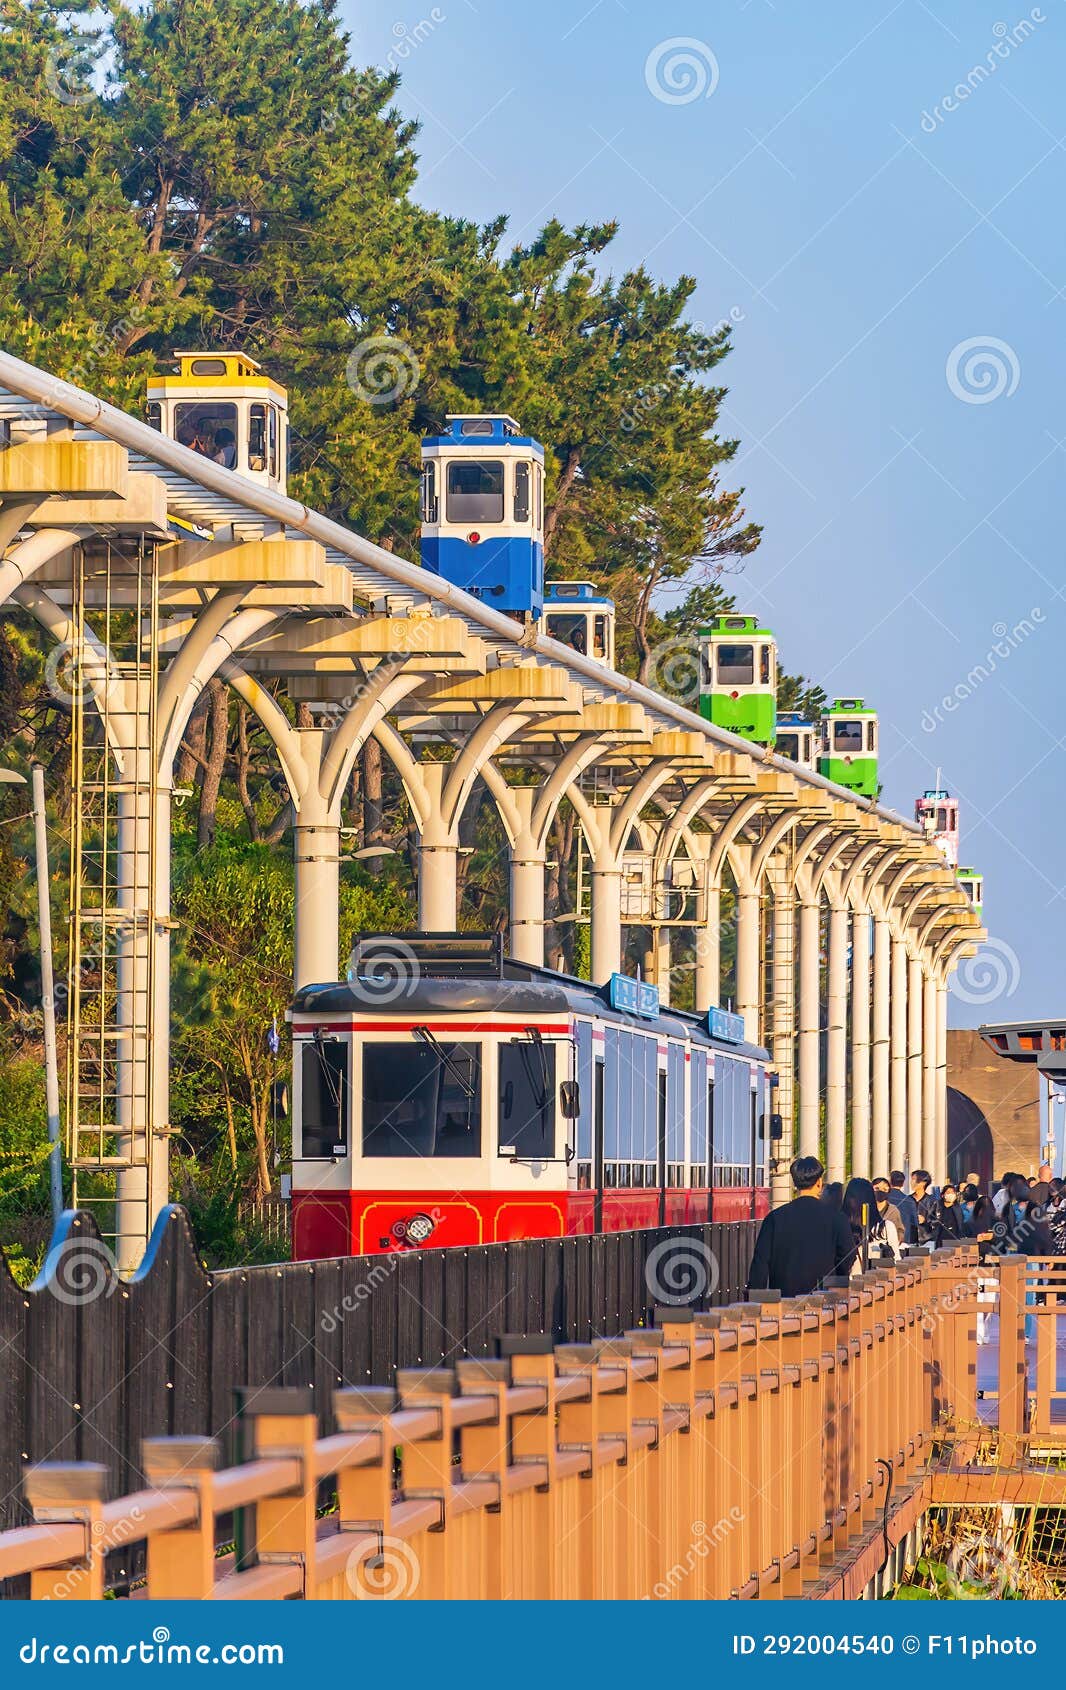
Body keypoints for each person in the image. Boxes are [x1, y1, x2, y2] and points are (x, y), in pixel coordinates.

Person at [747, 1155, 856, 1297]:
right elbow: (847, 1256)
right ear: (819, 1183)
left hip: (784, 1300)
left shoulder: (775, 1218)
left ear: (795, 1184)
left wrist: (756, 1298)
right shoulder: (837, 1218)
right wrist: (838, 1278)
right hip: (824, 1300)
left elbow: (760, 1264)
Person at [845, 1177, 900, 1270]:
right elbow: (896, 1261)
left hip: (846, 1282)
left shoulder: (840, 1227)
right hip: (878, 1282)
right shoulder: (886, 1228)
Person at [872, 1177, 906, 1260]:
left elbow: (900, 1230)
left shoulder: (893, 1210)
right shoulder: (865, 1209)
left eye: (885, 1189)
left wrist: (894, 1243)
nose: (880, 1191)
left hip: (887, 1254)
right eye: (877, 1188)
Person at [887, 1170, 919, 1244]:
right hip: (904, 1239)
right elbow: (915, 1222)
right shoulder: (909, 1200)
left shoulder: (884, 1198)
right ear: (903, 1184)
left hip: (886, 1237)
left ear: (890, 1182)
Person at [912, 1169, 936, 1244]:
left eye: (913, 1179)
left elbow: (937, 1222)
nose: (911, 1182)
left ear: (923, 1183)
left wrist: (925, 1220)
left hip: (927, 1239)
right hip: (909, 1241)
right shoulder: (907, 1199)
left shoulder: (932, 1201)